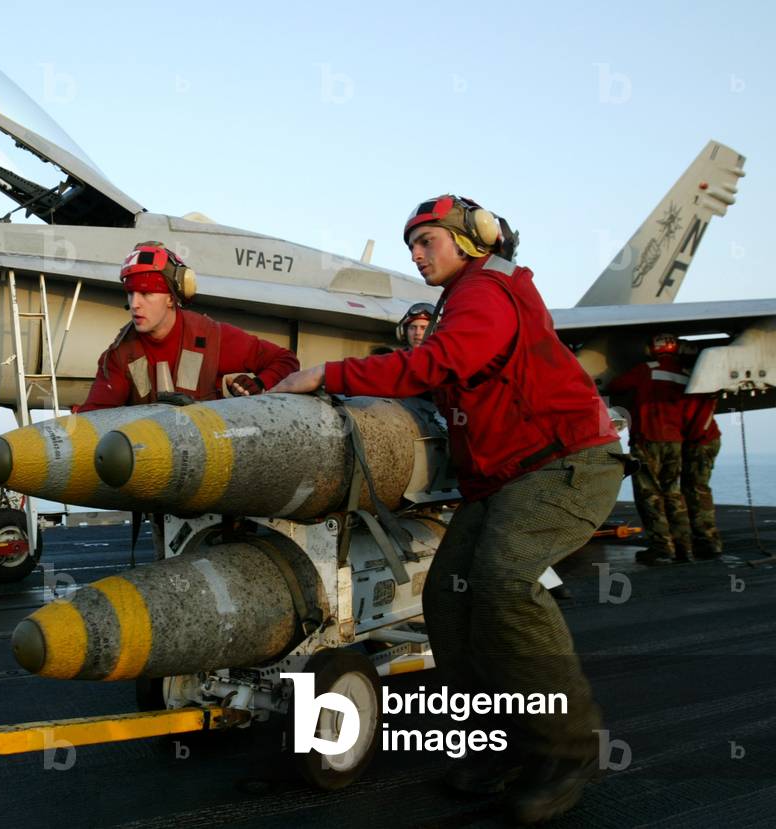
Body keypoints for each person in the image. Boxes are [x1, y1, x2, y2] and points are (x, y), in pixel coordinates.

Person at [271, 195, 625, 824]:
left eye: (427, 240)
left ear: (469, 240)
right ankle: (503, 745)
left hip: (565, 464)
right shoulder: (459, 301)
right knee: (450, 598)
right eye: (412, 243)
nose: (415, 252)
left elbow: (442, 362)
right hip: (504, 480)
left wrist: (327, 373)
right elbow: (441, 375)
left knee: (502, 586)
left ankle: (570, 749)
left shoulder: (487, 291)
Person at [77, 241, 299, 411]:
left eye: (145, 293)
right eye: (131, 293)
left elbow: (286, 360)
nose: (135, 304)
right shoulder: (121, 354)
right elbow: (96, 416)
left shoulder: (210, 338)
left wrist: (259, 384)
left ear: (172, 298)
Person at [608, 334, 694, 564]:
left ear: (653, 349)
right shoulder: (684, 375)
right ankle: (684, 547)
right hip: (674, 441)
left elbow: (616, 384)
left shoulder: (647, 369)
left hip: (648, 439)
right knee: (674, 494)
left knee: (650, 496)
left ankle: (662, 549)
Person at [682, 389, 723, 558]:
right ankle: (706, 538)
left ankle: (707, 539)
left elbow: (697, 423)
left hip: (700, 441)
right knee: (695, 488)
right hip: (703, 440)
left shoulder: (695, 392)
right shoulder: (700, 389)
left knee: (696, 490)